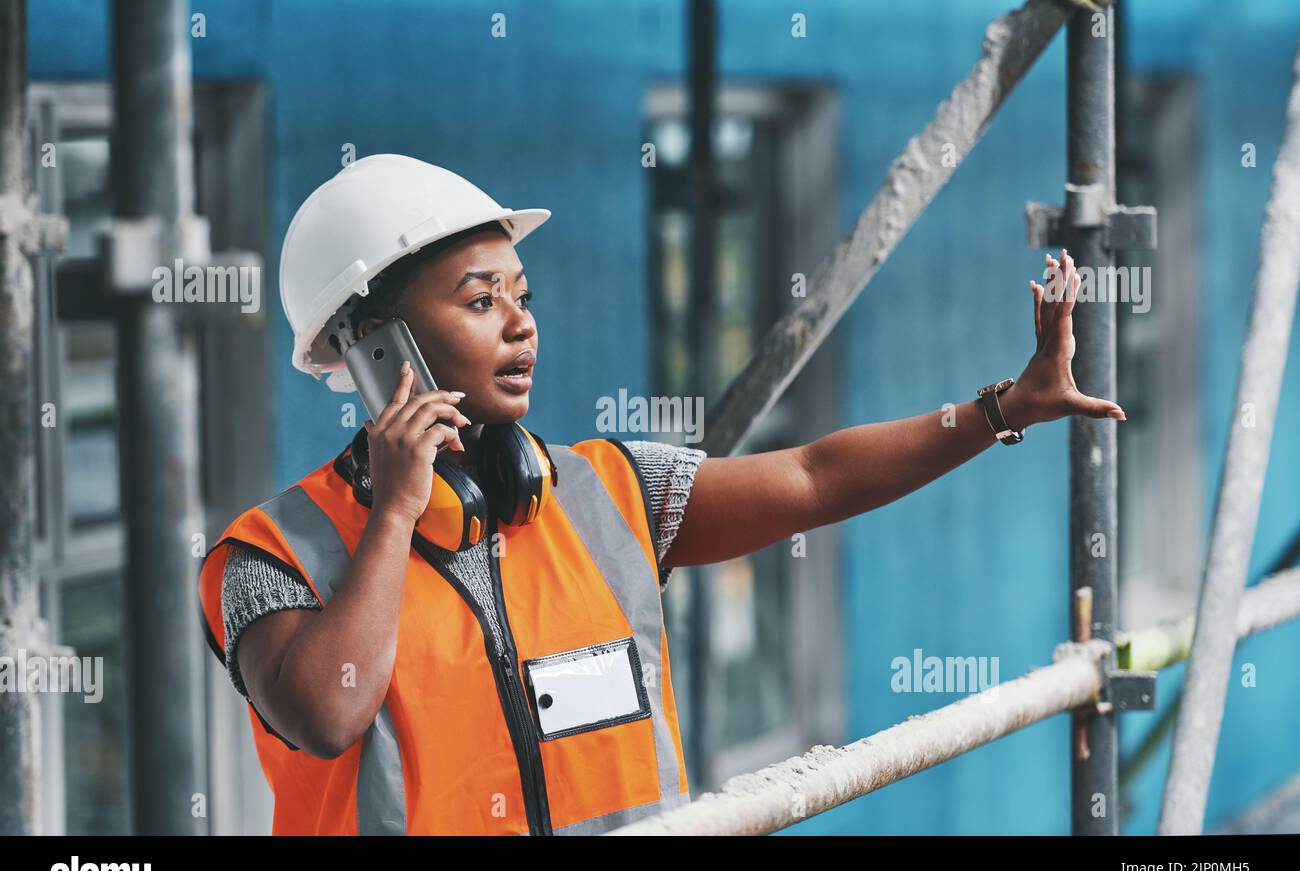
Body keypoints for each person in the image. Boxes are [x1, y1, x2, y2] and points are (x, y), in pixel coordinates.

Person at [198, 154, 1123, 836]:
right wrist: (397, 509)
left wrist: (1004, 407)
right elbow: (327, 715)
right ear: (372, 345)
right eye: (481, 301)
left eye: (523, 294)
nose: (522, 324)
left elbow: (813, 478)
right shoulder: (266, 556)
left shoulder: (606, 492)